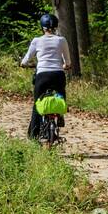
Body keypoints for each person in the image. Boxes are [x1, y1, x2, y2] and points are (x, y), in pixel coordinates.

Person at [20, 13, 72, 141]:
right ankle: (59, 115)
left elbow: (26, 59)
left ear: (42, 27)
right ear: (55, 27)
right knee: (60, 96)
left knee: (37, 104)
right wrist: (66, 65)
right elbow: (68, 61)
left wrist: (23, 64)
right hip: (57, 75)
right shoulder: (61, 40)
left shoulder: (36, 41)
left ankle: (33, 135)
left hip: (42, 75)